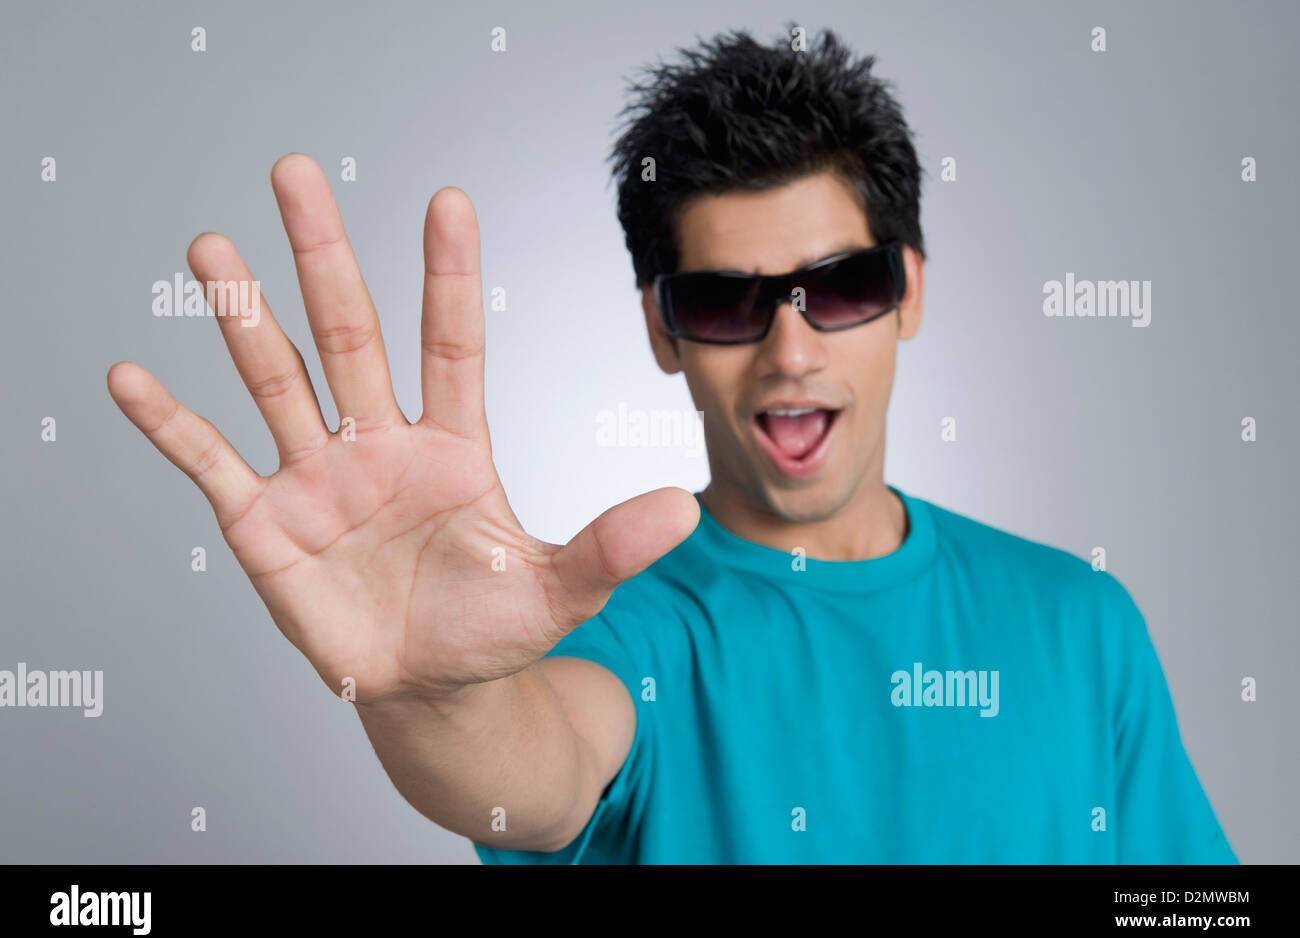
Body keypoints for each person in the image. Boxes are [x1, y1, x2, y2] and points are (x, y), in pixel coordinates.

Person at [106, 28, 1237, 864]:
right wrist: (417, 695)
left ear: (908, 292)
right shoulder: (620, 630)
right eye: (729, 303)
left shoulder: (1081, 622)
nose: (791, 350)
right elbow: (532, 766)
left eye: (838, 286)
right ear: (661, 328)